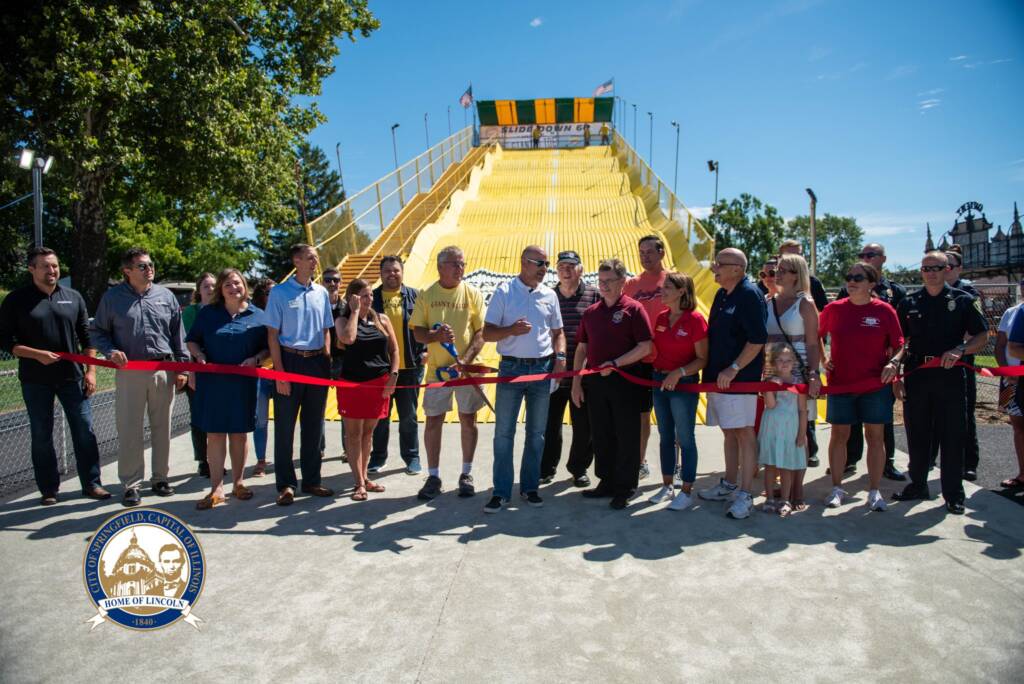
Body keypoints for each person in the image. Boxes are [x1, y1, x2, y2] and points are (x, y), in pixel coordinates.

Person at [0, 247, 109, 505]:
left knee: (84, 430)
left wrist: (91, 371)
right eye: (46, 266)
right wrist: (35, 354)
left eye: (55, 266)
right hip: (35, 380)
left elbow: (86, 335)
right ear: (32, 269)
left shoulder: (72, 297)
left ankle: (92, 484)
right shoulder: (16, 300)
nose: (52, 271)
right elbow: (4, 340)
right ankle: (49, 490)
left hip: (72, 378)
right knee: (41, 434)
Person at [90, 248, 188, 507]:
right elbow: (97, 332)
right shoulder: (112, 298)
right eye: (142, 266)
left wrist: (183, 369)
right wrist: (110, 351)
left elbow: (178, 336)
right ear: (127, 271)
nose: (149, 269)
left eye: (150, 264)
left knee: (162, 428)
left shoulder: (166, 296)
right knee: (130, 429)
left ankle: (160, 478)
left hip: (162, 370)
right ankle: (132, 484)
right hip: (130, 371)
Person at [893, 251, 988, 515]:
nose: (931, 272)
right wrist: (897, 373)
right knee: (917, 432)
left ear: (947, 270)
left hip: (951, 376)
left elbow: (982, 335)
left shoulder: (964, 300)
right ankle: (918, 485)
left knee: (952, 434)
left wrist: (961, 349)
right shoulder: (909, 303)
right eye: (926, 268)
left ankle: (953, 493)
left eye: (936, 267)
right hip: (917, 375)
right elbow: (901, 342)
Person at [482, 247, 565, 513]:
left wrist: (560, 355)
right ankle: (501, 492)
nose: (544, 268)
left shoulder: (549, 294)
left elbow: (558, 332)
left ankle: (530, 488)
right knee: (504, 434)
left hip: (541, 370)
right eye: (539, 263)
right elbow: (487, 333)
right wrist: (512, 330)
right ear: (523, 262)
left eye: (547, 263)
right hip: (511, 369)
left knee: (537, 434)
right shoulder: (504, 292)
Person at [818, 262, 903, 511]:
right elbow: (816, 336)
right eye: (849, 276)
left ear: (871, 284)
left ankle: (874, 492)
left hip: (875, 385)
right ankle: (836, 488)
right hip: (840, 385)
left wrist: (894, 364)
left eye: (858, 277)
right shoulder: (833, 309)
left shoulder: (885, 311)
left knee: (875, 437)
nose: (851, 280)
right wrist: (824, 359)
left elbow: (900, 345)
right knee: (839, 436)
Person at [570, 258, 653, 510]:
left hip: (626, 382)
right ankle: (606, 482)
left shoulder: (634, 309)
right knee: (601, 434)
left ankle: (625, 487)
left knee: (626, 435)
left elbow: (646, 346)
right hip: (596, 383)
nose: (604, 286)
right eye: (601, 281)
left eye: (609, 281)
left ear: (623, 282)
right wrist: (576, 382)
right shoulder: (591, 313)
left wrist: (616, 363)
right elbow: (582, 348)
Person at [186, 269, 269, 509]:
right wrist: (199, 355)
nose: (234, 288)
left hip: (243, 384)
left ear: (244, 285)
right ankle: (216, 488)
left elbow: (267, 348)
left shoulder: (258, 315)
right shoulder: (208, 314)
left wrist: (256, 358)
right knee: (215, 434)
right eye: (228, 285)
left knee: (239, 433)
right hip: (212, 384)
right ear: (220, 290)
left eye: (237, 283)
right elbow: (192, 340)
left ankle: (238, 483)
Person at [410, 246, 487, 500]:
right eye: (454, 264)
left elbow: (481, 333)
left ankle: (466, 474)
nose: (460, 268)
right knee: (433, 421)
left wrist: (464, 361)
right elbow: (418, 332)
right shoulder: (427, 295)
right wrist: (436, 336)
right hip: (436, 373)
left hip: (467, 372)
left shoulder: (473, 293)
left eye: (462, 263)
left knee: (469, 419)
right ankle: (433, 476)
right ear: (440, 266)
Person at [698, 248, 767, 520]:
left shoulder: (749, 295)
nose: (714, 267)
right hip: (719, 378)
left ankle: (746, 493)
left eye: (720, 264)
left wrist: (735, 368)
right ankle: (728, 483)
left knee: (744, 432)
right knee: (729, 431)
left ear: (737, 268)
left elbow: (757, 339)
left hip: (739, 380)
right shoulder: (721, 294)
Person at [264, 244, 335, 506]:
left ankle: (312, 480)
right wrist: (280, 372)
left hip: (316, 362)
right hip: (289, 361)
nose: (315, 262)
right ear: (296, 260)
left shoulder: (321, 293)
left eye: (316, 257)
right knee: (284, 427)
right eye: (310, 257)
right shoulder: (280, 293)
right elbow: (272, 334)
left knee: (314, 426)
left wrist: (326, 362)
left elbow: (327, 330)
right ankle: (285, 485)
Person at [833, 243, 907, 481]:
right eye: (861, 255)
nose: (865, 258)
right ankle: (849, 460)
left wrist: (896, 366)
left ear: (882, 259)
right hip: (847, 373)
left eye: (870, 255)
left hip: (881, 372)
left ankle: (888, 464)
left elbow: (902, 336)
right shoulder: (844, 297)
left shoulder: (895, 293)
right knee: (847, 426)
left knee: (880, 426)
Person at [648, 272, 708, 510]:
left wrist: (679, 372)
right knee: (665, 436)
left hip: (684, 384)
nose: (662, 291)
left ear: (682, 291)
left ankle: (686, 490)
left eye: (668, 287)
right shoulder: (662, 317)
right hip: (659, 381)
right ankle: (667, 485)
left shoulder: (695, 320)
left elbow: (703, 358)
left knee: (685, 437)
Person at [540, 251, 600, 487]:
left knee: (584, 427)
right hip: (552, 372)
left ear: (581, 270)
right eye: (562, 266)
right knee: (549, 425)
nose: (566, 270)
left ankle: (579, 468)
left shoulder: (594, 295)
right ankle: (546, 468)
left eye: (571, 266)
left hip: (583, 374)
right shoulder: (547, 295)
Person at [336, 279, 399, 501]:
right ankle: (358, 482)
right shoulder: (343, 320)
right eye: (364, 295)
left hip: (378, 383)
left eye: (371, 294)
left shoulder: (381, 319)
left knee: (368, 433)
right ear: (353, 297)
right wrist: (354, 313)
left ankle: (365, 476)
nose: (369, 299)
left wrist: (393, 376)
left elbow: (394, 350)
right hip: (352, 384)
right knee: (353, 434)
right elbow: (348, 339)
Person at [766, 253, 821, 503]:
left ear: (797, 275)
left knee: (800, 431)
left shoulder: (806, 303)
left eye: (784, 270)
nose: (778, 273)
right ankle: (782, 486)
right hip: (772, 375)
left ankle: (797, 490)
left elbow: (812, 344)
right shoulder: (769, 302)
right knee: (777, 428)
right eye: (778, 269)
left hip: (799, 373)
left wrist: (813, 374)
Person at [370, 256, 427, 475]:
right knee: (380, 416)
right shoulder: (372, 298)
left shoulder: (415, 296)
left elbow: (425, 325)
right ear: (380, 273)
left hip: (409, 367)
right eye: (387, 271)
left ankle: (412, 457)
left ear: (402, 272)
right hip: (380, 368)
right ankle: (378, 457)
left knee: (408, 417)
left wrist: (425, 350)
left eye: (396, 270)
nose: (392, 274)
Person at [623, 235, 669, 481]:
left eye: (650, 252)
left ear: (662, 253)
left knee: (672, 417)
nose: (645, 257)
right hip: (639, 361)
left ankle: (677, 464)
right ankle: (640, 460)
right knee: (641, 415)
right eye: (641, 253)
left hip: (669, 361)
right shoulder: (631, 285)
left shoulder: (674, 280)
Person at [942, 248, 982, 481]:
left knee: (964, 415)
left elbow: (975, 331)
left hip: (961, 363)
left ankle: (969, 463)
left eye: (948, 265)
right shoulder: (929, 294)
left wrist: (957, 348)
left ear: (959, 269)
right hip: (936, 365)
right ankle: (929, 461)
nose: (942, 269)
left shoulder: (967, 293)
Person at [757, 344, 808, 517]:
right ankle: (769, 498)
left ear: (794, 362)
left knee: (787, 466)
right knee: (770, 465)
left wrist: (802, 433)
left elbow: (802, 410)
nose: (784, 364)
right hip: (772, 428)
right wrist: (770, 386)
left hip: (790, 429)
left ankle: (785, 499)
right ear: (773, 363)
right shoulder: (769, 382)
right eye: (780, 360)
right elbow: (770, 405)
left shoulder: (799, 384)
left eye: (788, 360)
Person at [182, 273, 215, 477]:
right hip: (197, 369)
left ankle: (216, 457)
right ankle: (203, 459)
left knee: (216, 417)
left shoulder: (222, 311)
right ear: (199, 290)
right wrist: (190, 372)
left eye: (213, 286)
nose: (210, 289)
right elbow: (186, 343)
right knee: (199, 417)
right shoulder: (191, 312)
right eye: (206, 286)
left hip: (220, 371)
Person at [996, 281, 1024, 490]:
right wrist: (1008, 372)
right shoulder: (1013, 312)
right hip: (1011, 378)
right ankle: (1022, 474)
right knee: (1017, 425)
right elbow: (1003, 346)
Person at [320, 267, 346, 463]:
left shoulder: (346, 307)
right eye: (328, 280)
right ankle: (318, 447)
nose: (332, 284)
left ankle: (348, 447)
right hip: (319, 359)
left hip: (343, 360)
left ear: (340, 283)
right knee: (317, 406)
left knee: (346, 406)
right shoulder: (315, 305)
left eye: (335, 280)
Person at [250, 277, 274, 477]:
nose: (273, 297)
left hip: (282, 371)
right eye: (268, 293)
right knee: (261, 420)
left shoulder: (285, 312)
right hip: (261, 374)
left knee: (286, 420)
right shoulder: (255, 317)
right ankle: (261, 460)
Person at [777, 240, 828, 311]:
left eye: (799, 255)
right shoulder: (768, 281)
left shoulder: (814, 283)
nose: (795, 259)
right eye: (790, 255)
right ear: (779, 258)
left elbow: (823, 311)